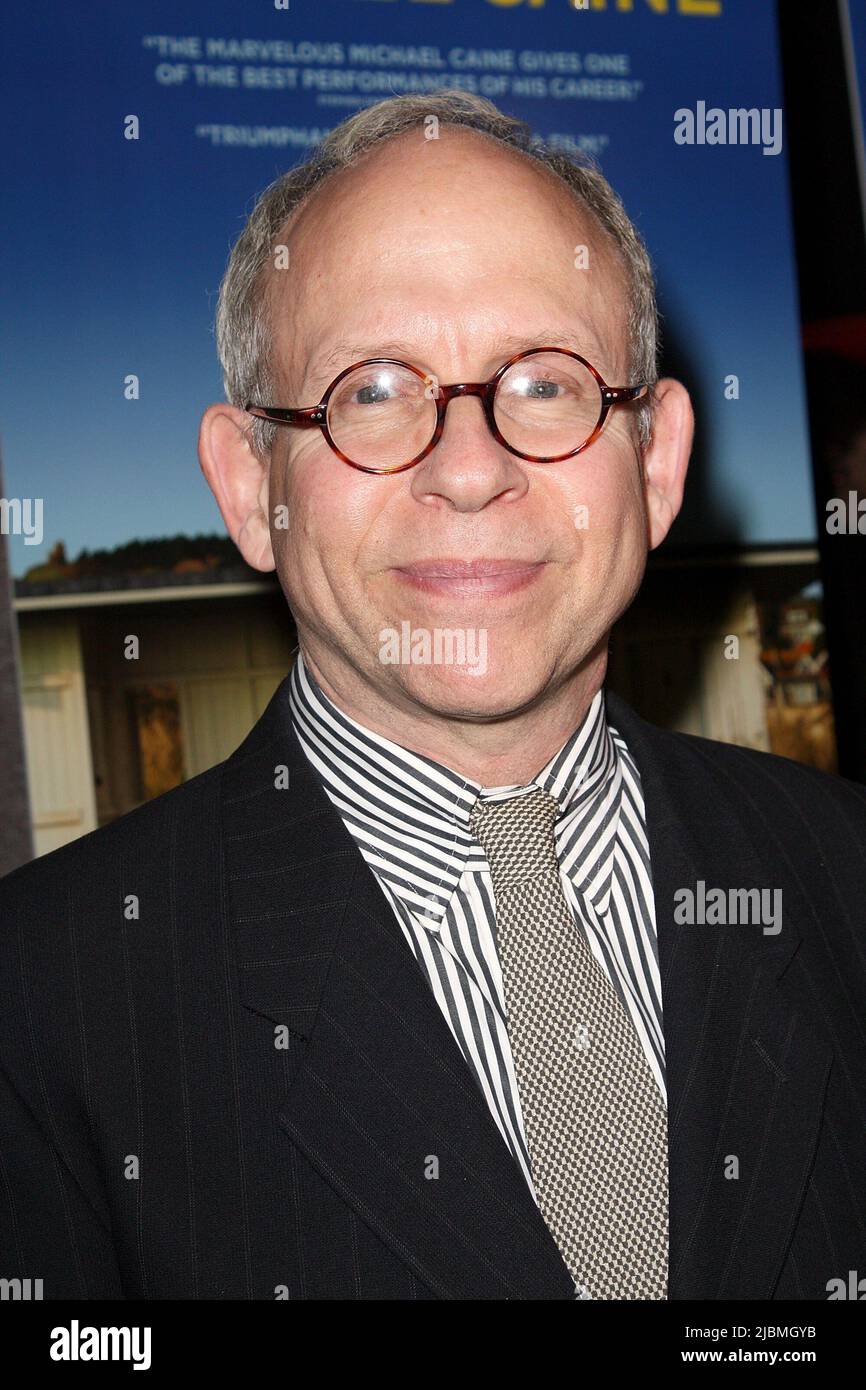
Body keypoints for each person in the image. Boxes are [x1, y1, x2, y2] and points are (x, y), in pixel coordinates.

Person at [1, 91, 864, 1301]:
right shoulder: (40, 1005)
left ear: (657, 464)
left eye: (547, 383)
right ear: (252, 488)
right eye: (371, 389)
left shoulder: (842, 875)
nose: (470, 469)